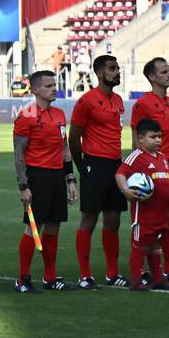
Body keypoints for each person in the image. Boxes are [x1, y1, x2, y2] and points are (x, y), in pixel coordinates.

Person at [13, 71, 75, 293]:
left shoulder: (59, 114)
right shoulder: (26, 115)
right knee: (33, 227)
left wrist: (70, 179)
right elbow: (19, 154)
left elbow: (65, 148)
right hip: (37, 176)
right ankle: (23, 278)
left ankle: (50, 278)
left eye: (54, 84)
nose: (53, 88)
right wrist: (24, 186)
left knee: (53, 226)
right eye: (48, 86)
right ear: (36, 90)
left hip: (57, 175)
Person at [68, 54, 127, 289]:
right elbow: (74, 136)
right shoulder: (87, 101)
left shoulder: (119, 100)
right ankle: (85, 275)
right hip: (94, 164)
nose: (117, 72)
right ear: (100, 73)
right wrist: (82, 165)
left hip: (116, 165)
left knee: (113, 220)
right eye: (112, 69)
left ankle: (112, 274)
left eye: (118, 68)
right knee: (89, 219)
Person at [131, 57, 169, 283]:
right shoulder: (143, 103)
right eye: (164, 72)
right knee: (147, 221)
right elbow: (137, 137)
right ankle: (143, 270)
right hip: (152, 165)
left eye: (168, 70)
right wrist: (142, 168)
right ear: (152, 77)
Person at [116, 118, 169, 292]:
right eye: (153, 137)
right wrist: (126, 190)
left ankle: (158, 279)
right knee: (140, 245)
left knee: (156, 245)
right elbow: (120, 173)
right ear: (140, 139)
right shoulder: (137, 157)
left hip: (162, 212)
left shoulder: (163, 158)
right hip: (144, 214)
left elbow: (168, 180)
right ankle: (136, 280)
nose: (158, 140)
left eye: (159, 136)